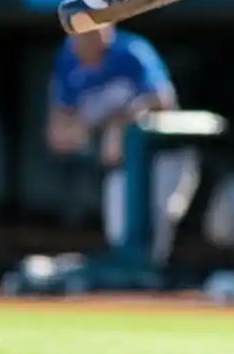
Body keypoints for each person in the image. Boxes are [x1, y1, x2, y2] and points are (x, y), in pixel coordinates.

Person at [46, 26, 200, 267]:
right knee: (119, 236)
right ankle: (131, 292)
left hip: (165, 156)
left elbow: (163, 100)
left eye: (91, 32)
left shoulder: (131, 51)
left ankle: (152, 291)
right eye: (78, 34)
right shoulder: (68, 58)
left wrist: (121, 124)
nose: (82, 41)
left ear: (105, 31)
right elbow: (57, 133)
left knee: (157, 228)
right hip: (124, 166)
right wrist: (84, 132)